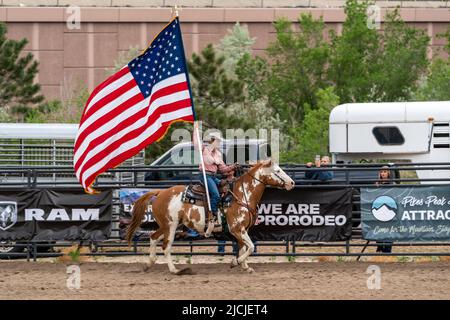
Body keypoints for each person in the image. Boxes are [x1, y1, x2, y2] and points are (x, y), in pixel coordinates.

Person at [195, 131, 238, 234]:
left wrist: (233, 166)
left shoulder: (217, 153)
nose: (219, 143)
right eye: (218, 141)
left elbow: (223, 169)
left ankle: (220, 214)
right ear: (212, 141)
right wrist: (195, 130)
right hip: (205, 176)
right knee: (215, 195)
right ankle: (212, 217)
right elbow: (196, 143)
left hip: (213, 177)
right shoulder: (204, 149)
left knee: (225, 186)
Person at [375, 165, 393, 253]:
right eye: (381, 172)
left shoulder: (391, 184)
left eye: (385, 172)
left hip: (389, 209)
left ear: (388, 173)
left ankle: (387, 248)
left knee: (389, 228)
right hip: (380, 208)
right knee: (379, 228)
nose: (383, 174)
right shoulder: (377, 184)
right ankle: (380, 246)